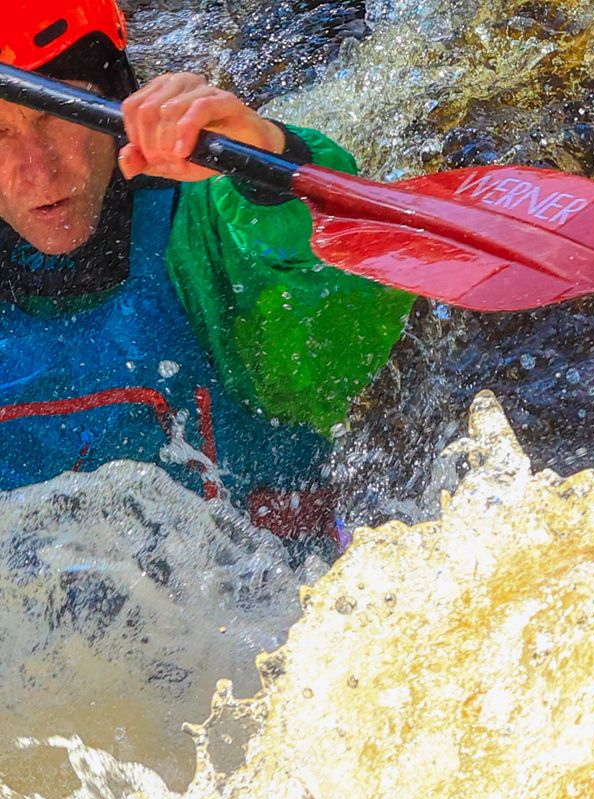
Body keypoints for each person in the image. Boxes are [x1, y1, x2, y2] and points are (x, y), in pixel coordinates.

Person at [0, 1, 414, 534]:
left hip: (275, 602)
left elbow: (340, 339)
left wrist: (270, 165)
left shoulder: (214, 219)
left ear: (116, 97)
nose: (39, 171)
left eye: (58, 116)